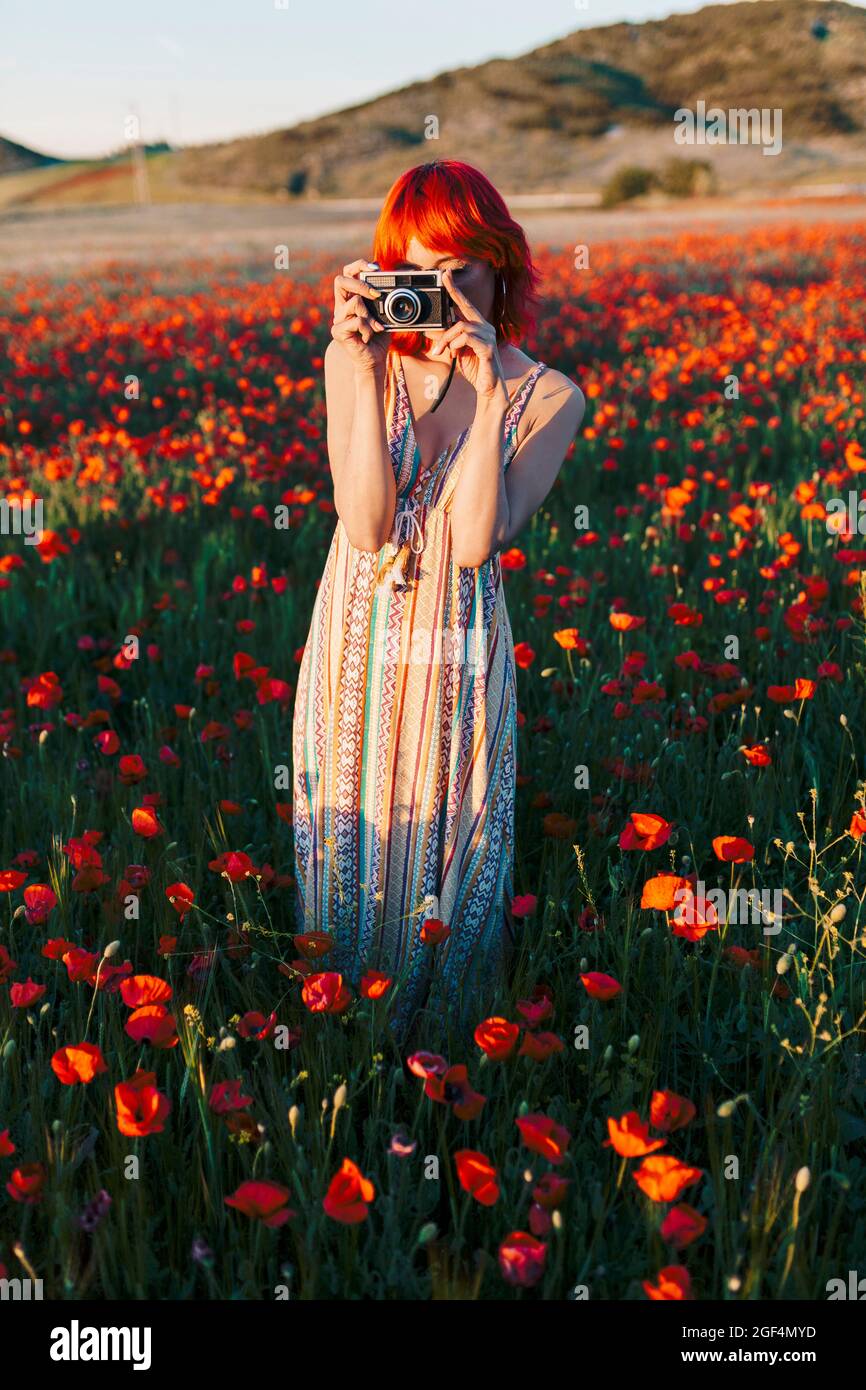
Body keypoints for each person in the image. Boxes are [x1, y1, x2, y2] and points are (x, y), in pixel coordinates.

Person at [292, 160, 585, 1045]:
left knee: (452, 855)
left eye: (466, 268)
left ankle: (453, 1066)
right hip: (356, 640)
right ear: (391, 276)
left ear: (503, 268)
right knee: (353, 849)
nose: (448, 291)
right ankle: (342, 1054)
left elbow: (469, 544)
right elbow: (371, 527)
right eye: (424, 272)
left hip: (458, 648)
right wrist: (366, 365)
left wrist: (492, 394)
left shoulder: (551, 397)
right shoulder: (356, 362)